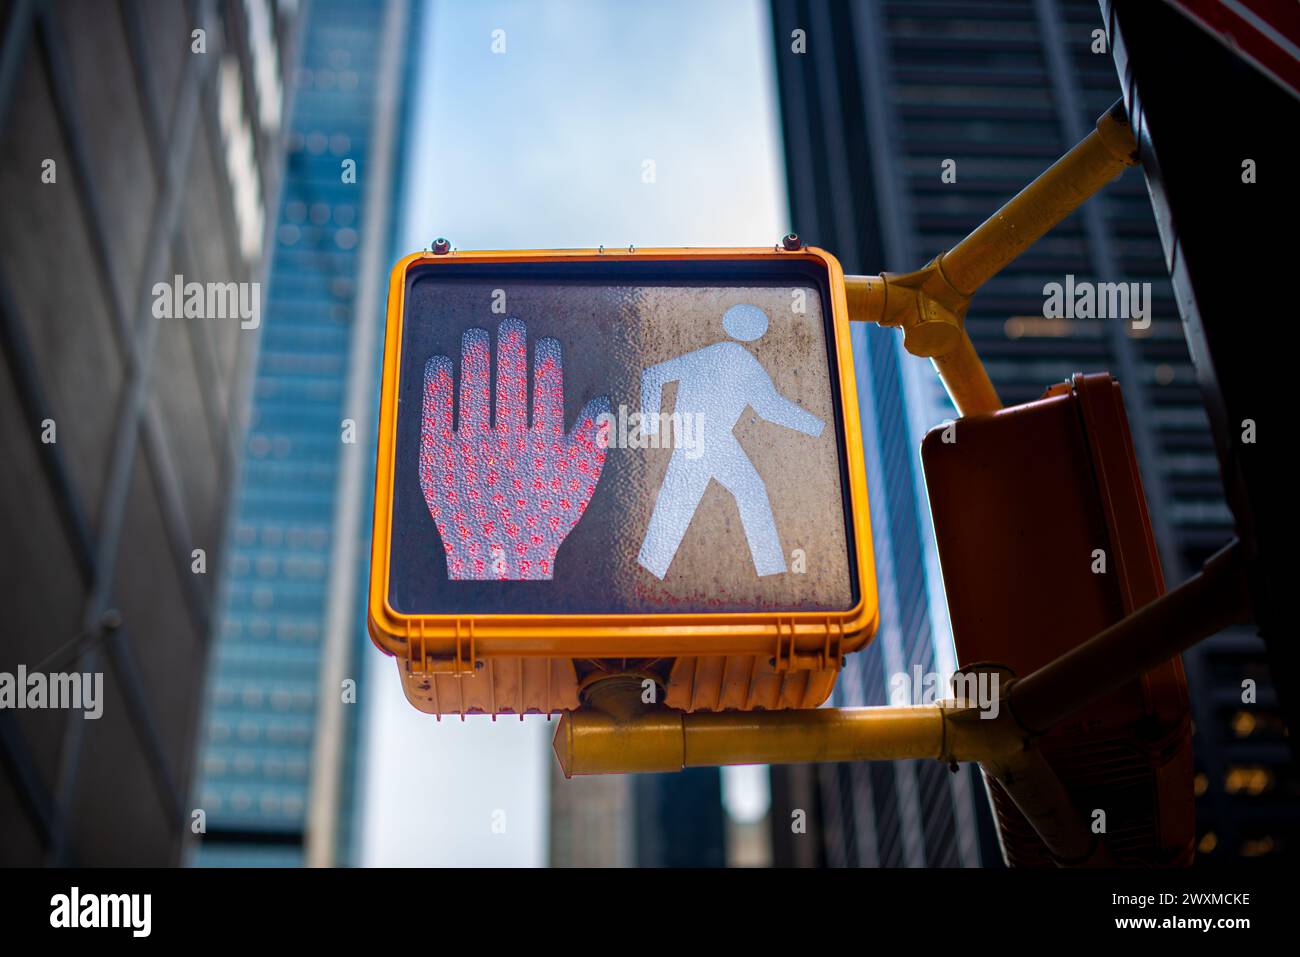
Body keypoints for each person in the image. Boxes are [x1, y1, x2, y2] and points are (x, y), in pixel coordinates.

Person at [637, 303, 823, 580]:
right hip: (702, 436)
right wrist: (650, 426)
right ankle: (772, 575)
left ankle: (649, 571)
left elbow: (769, 407)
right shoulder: (728, 356)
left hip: (707, 436)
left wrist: (815, 427)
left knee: (704, 495)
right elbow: (653, 375)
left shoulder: (735, 358)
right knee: (702, 496)